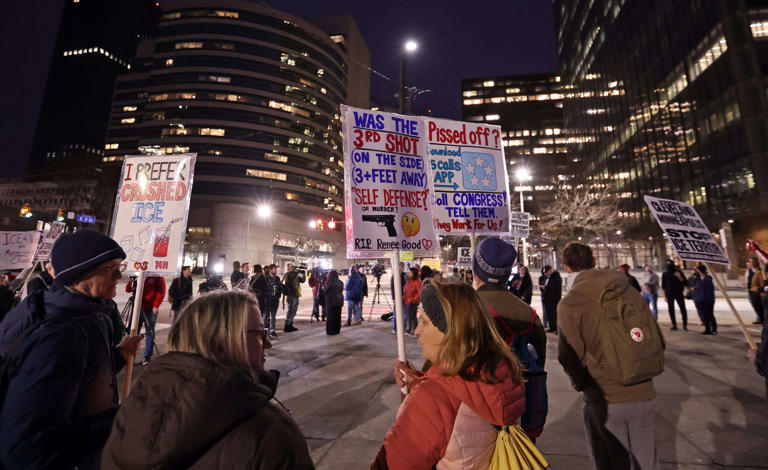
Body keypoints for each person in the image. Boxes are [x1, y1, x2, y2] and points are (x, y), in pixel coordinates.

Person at [101, 291, 314, 469]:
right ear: (221, 343)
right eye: (260, 334)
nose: (268, 344)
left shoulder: (133, 408)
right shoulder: (272, 435)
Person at [0, 229, 142, 470]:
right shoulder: (61, 334)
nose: (120, 275)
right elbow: (30, 446)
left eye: (120, 266)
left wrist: (119, 355)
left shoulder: (88, 315)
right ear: (78, 274)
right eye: (111, 268)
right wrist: (121, 418)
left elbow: (79, 377)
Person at [371, 281, 526, 469]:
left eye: (424, 322)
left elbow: (394, 463)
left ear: (451, 333)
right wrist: (416, 383)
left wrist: (420, 396)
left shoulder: (431, 399)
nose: (417, 331)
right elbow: (459, 407)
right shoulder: (502, 374)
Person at [557, 242, 663, 470]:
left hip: (604, 397)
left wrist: (583, 384)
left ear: (566, 267)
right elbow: (653, 335)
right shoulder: (628, 290)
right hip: (642, 390)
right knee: (647, 463)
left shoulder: (570, 304)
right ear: (594, 261)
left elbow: (569, 356)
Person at [473, 238, 547, 439]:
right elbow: (539, 359)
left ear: (476, 270)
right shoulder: (528, 314)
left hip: (474, 410)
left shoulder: (464, 308)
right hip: (518, 411)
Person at [126, 273, 166, 365]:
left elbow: (161, 291)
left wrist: (156, 305)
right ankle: (130, 357)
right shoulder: (138, 274)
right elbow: (128, 289)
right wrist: (132, 281)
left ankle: (147, 357)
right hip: (137, 308)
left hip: (150, 309)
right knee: (133, 332)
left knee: (149, 332)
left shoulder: (157, 275)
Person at [662, 259, 688, 331]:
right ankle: (674, 324)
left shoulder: (678, 272)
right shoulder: (665, 274)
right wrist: (665, 296)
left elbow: (685, 282)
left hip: (678, 293)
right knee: (671, 309)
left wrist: (679, 276)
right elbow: (663, 286)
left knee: (682, 308)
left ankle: (685, 325)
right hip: (669, 293)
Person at [691, 265, 716, 335]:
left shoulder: (707, 279)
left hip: (708, 300)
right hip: (701, 300)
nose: (697, 271)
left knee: (710, 314)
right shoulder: (699, 279)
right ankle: (707, 329)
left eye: (698, 270)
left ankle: (714, 329)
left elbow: (709, 290)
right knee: (705, 315)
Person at [282, 263, 304, 332]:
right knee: (290, 311)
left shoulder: (296, 274)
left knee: (294, 311)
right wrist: (296, 273)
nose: (294, 267)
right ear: (288, 268)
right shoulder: (288, 274)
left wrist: (302, 273)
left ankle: (290, 324)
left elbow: (302, 280)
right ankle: (287, 325)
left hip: (296, 294)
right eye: (292, 266)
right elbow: (289, 281)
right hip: (291, 295)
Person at [261, 264, 282, 337]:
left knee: (273, 315)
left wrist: (278, 294)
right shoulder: (265, 278)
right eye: (274, 269)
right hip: (267, 299)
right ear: (270, 270)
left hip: (275, 299)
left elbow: (280, 287)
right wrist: (264, 298)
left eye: (276, 269)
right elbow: (263, 289)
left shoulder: (277, 278)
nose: (276, 270)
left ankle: (272, 330)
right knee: (265, 315)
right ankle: (264, 330)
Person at [542, 265, 562, 333]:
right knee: (549, 314)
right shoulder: (549, 277)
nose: (545, 274)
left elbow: (554, 287)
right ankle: (552, 327)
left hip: (554, 299)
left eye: (546, 272)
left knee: (555, 315)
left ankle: (557, 329)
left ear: (550, 270)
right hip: (548, 299)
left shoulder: (556, 276)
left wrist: (546, 287)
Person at [746, 258, 766, 325]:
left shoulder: (761, 271)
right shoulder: (752, 271)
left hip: (762, 293)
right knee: (756, 306)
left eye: (754, 262)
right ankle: (761, 319)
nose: (752, 264)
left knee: (763, 308)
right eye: (751, 262)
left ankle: (763, 320)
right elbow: (754, 284)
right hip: (754, 292)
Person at [323, 270, 344, 335]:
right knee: (338, 316)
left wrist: (324, 286)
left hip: (331, 301)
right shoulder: (340, 282)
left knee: (330, 317)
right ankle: (337, 329)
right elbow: (341, 290)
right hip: (339, 301)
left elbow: (325, 291)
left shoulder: (330, 282)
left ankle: (331, 330)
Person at [390, 261, 408, 334]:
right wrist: (393, 298)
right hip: (397, 297)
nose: (403, 268)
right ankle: (395, 328)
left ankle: (403, 328)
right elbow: (392, 288)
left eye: (403, 267)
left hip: (404, 297)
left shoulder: (405, 275)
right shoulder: (394, 276)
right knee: (396, 314)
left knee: (405, 314)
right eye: (402, 267)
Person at [403, 267, 421, 335]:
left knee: (411, 316)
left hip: (413, 301)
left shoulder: (417, 281)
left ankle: (411, 330)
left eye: (410, 272)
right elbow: (406, 289)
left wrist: (414, 299)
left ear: (414, 273)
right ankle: (413, 330)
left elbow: (419, 292)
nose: (409, 273)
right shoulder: (409, 280)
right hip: (408, 300)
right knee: (412, 316)